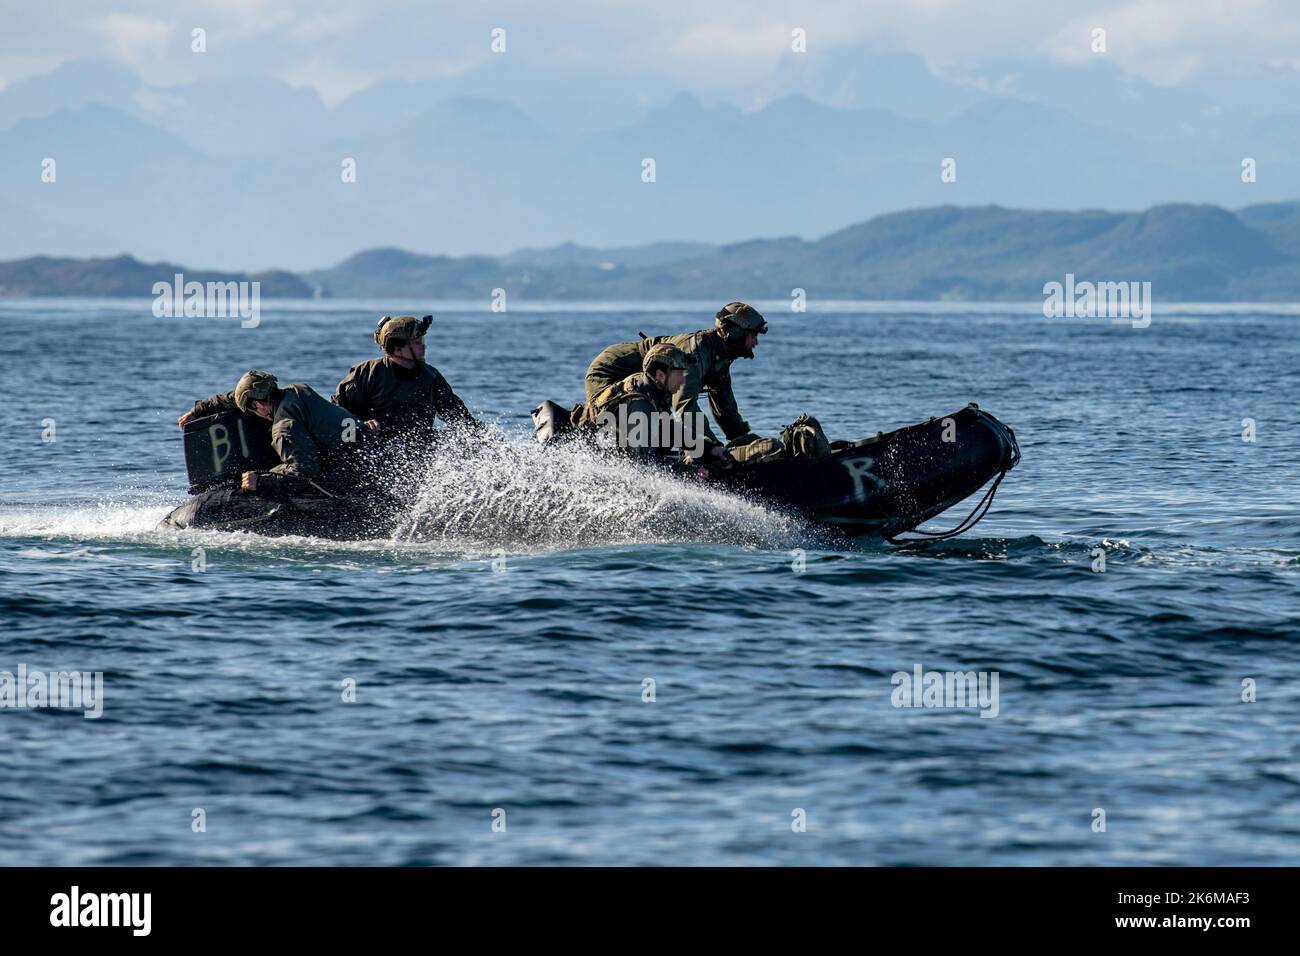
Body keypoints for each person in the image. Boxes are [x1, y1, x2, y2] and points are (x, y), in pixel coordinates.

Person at [581, 302, 767, 463]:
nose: (756, 342)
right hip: (610, 372)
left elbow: (725, 409)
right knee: (634, 426)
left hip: (646, 385)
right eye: (753, 335)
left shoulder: (720, 358)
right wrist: (710, 450)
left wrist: (743, 442)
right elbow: (685, 407)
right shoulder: (694, 353)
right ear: (733, 333)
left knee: (658, 425)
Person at [181, 370, 377, 493]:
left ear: (258, 404)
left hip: (353, 472)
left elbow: (304, 471)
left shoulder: (284, 427)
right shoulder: (297, 391)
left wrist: (261, 479)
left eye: (252, 409)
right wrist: (201, 409)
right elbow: (238, 398)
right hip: (369, 449)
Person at [333, 314, 477, 439]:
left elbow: (460, 419)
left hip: (418, 453)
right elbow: (337, 414)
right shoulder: (367, 373)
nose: (424, 347)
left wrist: (485, 441)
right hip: (372, 449)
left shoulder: (431, 377)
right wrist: (361, 425)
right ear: (397, 348)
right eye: (417, 343)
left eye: (422, 342)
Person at [576, 343, 696, 464]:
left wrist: (709, 449)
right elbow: (644, 467)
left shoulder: (648, 385)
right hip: (603, 460)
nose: (682, 381)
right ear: (660, 375)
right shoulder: (640, 407)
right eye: (679, 375)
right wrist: (688, 470)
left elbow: (669, 428)